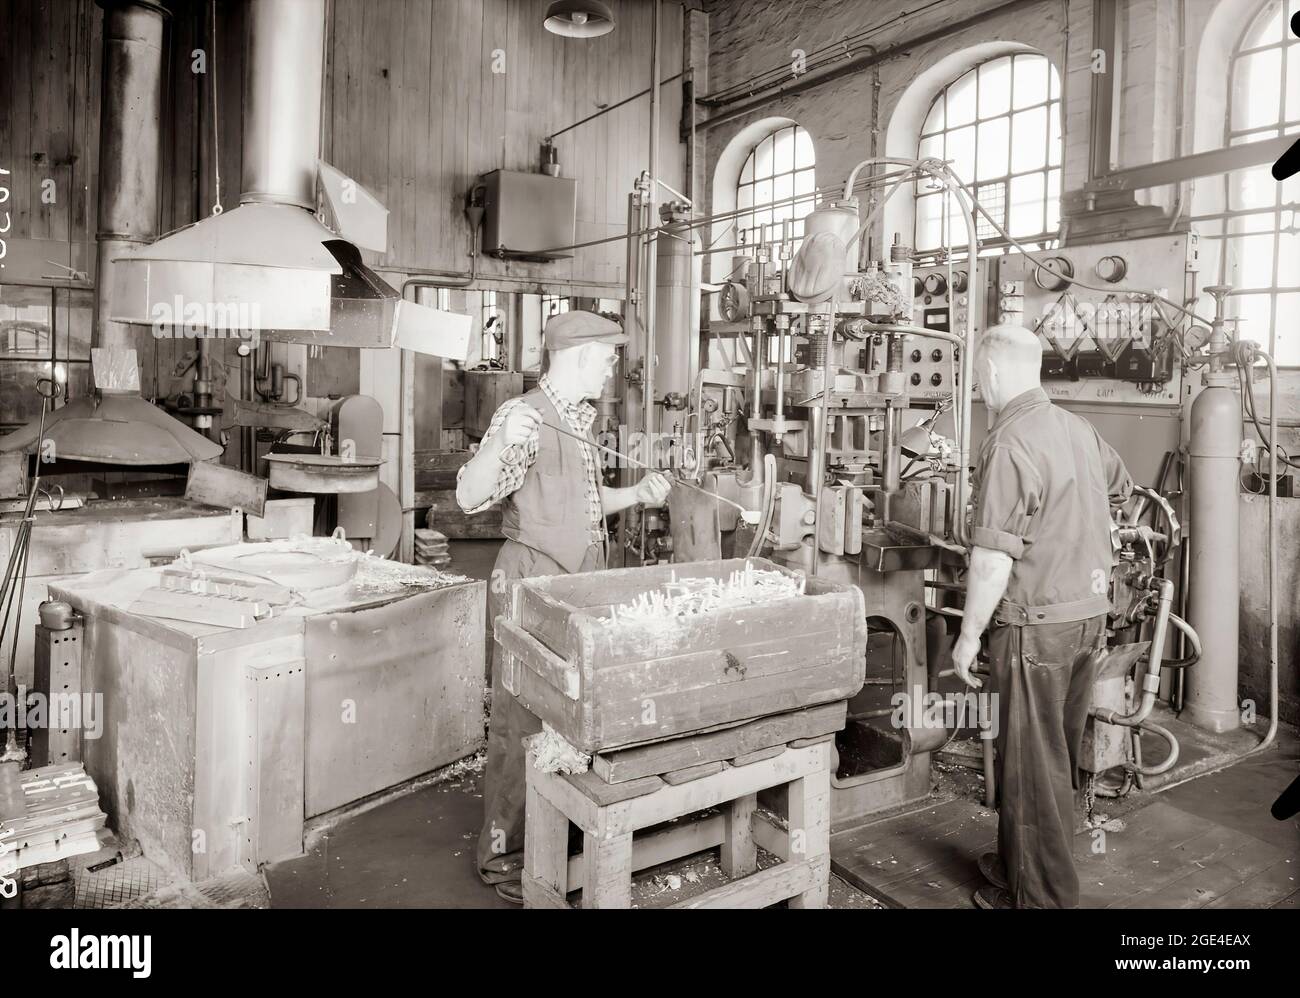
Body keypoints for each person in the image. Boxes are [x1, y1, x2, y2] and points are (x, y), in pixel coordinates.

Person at [456, 309, 671, 904]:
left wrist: (637, 494)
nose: (610, 372)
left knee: (567, 716)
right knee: (522, 721)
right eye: (606, 359)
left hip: (575, 585)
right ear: (579, 356)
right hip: (532, 581)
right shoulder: (523, 415)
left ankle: (558, 837)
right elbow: (470, 496)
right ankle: (505, 858)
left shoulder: (578, 418)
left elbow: (581, 504)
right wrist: (499, 442)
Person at [951, 323, 1133, 909]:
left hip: (1035, 625)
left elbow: (990, 558)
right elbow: (1121, 490)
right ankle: (1017, 864)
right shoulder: (1077, 427)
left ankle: (1042, 899)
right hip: (1087, 616)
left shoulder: (1009, 441)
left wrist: (968, 634)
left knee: (1032, 766)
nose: (979, 389)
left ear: (993, 372)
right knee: (1050, 751)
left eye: (979, 377)